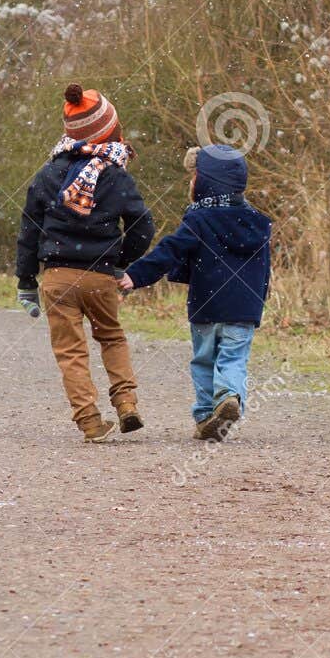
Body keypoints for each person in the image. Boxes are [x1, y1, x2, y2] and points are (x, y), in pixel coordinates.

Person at [16, 84, 155, 442]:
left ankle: (90, 420)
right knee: (111, 337)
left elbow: (28, 231)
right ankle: (126, 403)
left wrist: (26, 281)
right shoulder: (116, 175)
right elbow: (143, 226)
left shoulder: (48, 174)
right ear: (110, 128)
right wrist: (122, 260)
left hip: (58, 277)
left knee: (71, 352)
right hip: (101, 275)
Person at [119, 144, 272, 440]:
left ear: (206, 184)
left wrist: (135, 276)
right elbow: (264, 270)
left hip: (207, 305)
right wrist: (258, 301)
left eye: (195, 177)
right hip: (244, 309)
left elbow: (170, 251)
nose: (191, 183)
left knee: (204, 359)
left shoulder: (199, 220)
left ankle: (205, 415)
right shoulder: (259, 223)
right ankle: (229, 395)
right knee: (233, 359)